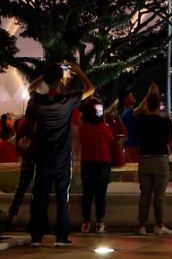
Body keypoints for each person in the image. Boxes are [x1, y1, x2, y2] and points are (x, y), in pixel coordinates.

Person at [25, 62, 95, 248]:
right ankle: (61, 236)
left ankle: (36, 236)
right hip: (62, 155)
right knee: (62, 195)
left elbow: (30, 87)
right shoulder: (67, 101)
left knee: (40, 195)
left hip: (43, 155)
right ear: (59, 81)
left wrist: (46, 74)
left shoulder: (38, 101)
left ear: (47, 81)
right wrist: (77, 70)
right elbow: (90, 89)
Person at [134, 88, 172, 235]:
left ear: (147, 105)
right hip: (160, 159)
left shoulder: (140, 121)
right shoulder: (165, 121)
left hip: (144, 159)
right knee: (159, 194)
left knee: (144, 194)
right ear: (159, 105)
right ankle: (159, 224)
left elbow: (135, 118)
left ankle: (142, 225)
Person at [78, 100, 113, 235]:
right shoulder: (105, 128)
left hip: (87, 162)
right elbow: (110, 140)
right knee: (100, 193)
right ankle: (100, 222)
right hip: (102, 163)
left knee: (87, 193)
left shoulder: (83, 129)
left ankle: (86, 222)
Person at [118, 90, 141, 164]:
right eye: (131, 95)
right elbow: (141, 107)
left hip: (133, 146)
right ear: (125, 99)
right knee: (135, 170)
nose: (134, 97)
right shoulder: (127, 113)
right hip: (133, 147)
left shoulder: (126, 113)